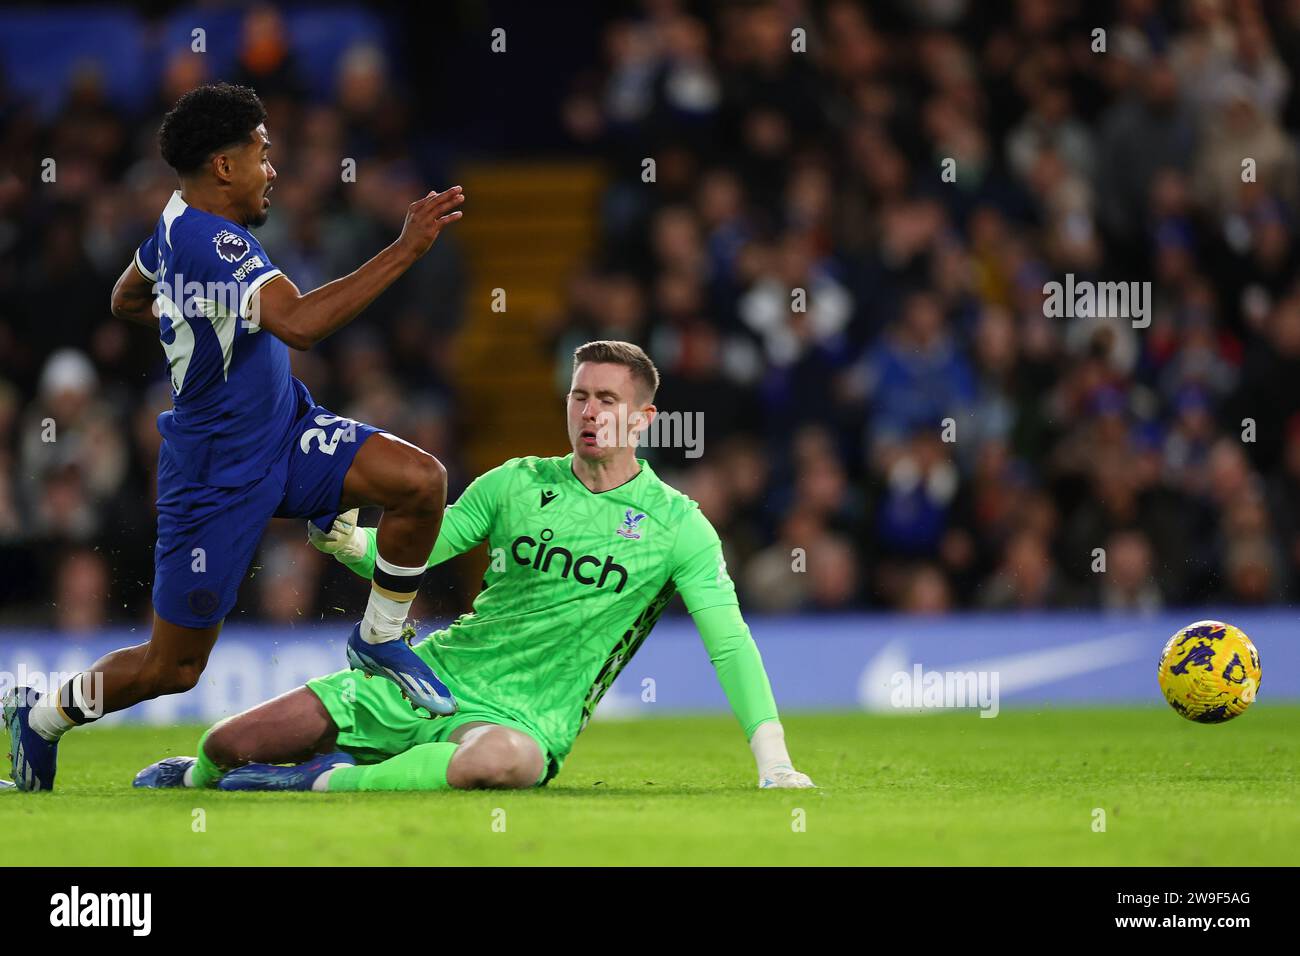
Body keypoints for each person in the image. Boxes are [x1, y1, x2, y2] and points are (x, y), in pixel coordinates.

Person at [4, 83, 464, 792]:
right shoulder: (213, 241)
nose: (272, 168)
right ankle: (42, 718)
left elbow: (127, 298)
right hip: (215, 475)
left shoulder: (172, 222)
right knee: (172, 669)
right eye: (262, 152)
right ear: (224, 166)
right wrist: (405, 249)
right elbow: (303, 325)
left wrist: (186, 324)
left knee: (420, 483)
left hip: (284, 429)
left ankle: (378, 636)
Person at [133, 341, 816, 792]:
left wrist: (774, 760)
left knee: (502, 764)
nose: (588, 411)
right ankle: (197, 779)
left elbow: (728, 642)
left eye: (607, 400)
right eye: (580, 395)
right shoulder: (515, 482)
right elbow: (413, 554)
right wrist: (348, 543)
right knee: (228, 743)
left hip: (524, 719)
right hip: (433, 677)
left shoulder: (679, 527)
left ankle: (321, 782)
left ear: (644, 419)